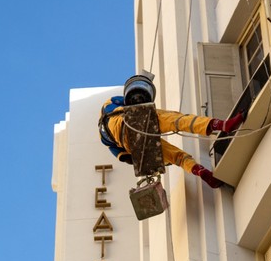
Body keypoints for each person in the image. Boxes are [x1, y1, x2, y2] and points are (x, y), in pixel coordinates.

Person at [98, 76, 245, 189]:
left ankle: (199, 171)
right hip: (132, 121)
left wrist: (157, 157)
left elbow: (126, 158)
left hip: (132, 144)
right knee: (178, 120)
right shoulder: (108, 104)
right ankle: (222, 125)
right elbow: (132, 100)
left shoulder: (105, 139)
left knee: (177, 158)